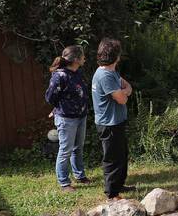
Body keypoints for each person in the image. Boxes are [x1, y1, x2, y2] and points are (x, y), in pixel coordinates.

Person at [92, 38, 133, 200]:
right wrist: (125, 92)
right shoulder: (105, 76)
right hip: (108, 124)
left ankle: (119, 185)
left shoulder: (111, 71)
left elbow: (127, 86)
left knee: (121, 155)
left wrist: (125, 91)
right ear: (115, 56)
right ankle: (112, 193)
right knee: (112, 158)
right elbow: (122, 98)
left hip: (117, 122)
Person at [44, 44, 90, 190]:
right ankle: (64, 182)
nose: (85, 58)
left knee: (78, 148)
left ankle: (79, 175)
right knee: (65, 150)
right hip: (66, 119)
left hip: (81, 116)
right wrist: (58, 108)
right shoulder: (60, 76)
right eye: (82, 56)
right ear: (76, 59)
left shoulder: (77, 73)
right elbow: (50, 97)